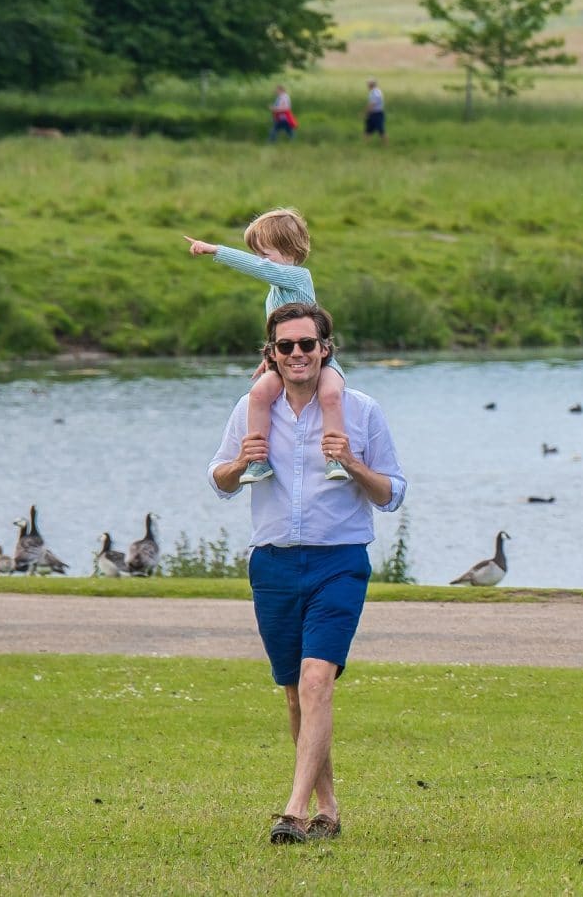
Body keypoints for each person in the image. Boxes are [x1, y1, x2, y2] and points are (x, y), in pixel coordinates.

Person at [209, 302, 406, 845]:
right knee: (296, 692)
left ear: (326, 349)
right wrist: (237, 462)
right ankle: (327, 809)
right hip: (271, 564)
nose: (297, 354)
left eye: (307, 345)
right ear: (271, 354)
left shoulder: (361, 411)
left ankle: (292, 814)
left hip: (338, 560)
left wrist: (356, 464)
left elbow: (392, 493)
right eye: (286, 346)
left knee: (318, 677)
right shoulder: (250, 410)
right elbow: (220, 481)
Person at [186, 207, 349, 484]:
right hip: (286, 362)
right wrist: (271, 357)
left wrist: (216, 250)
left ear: (290, 250)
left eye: (265, 253)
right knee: (259, 395)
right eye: (258, 254)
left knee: (331, 395)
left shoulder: (299, 277)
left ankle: (334, 456)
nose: (260, 260)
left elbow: (261, 269)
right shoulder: (273, 294)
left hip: (319, 358)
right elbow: (278, 335)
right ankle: (258, 461)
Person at [363, 79, 386, 144]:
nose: (367, 85)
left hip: (377, 114)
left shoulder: (375, 93)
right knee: (368, 130)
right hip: (372, 114)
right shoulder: (374, 92)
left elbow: (372, 104)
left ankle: (386, 144)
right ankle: (365, 144)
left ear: (371, 84)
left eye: (368, 84)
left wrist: (365, 112)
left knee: (381, 130)